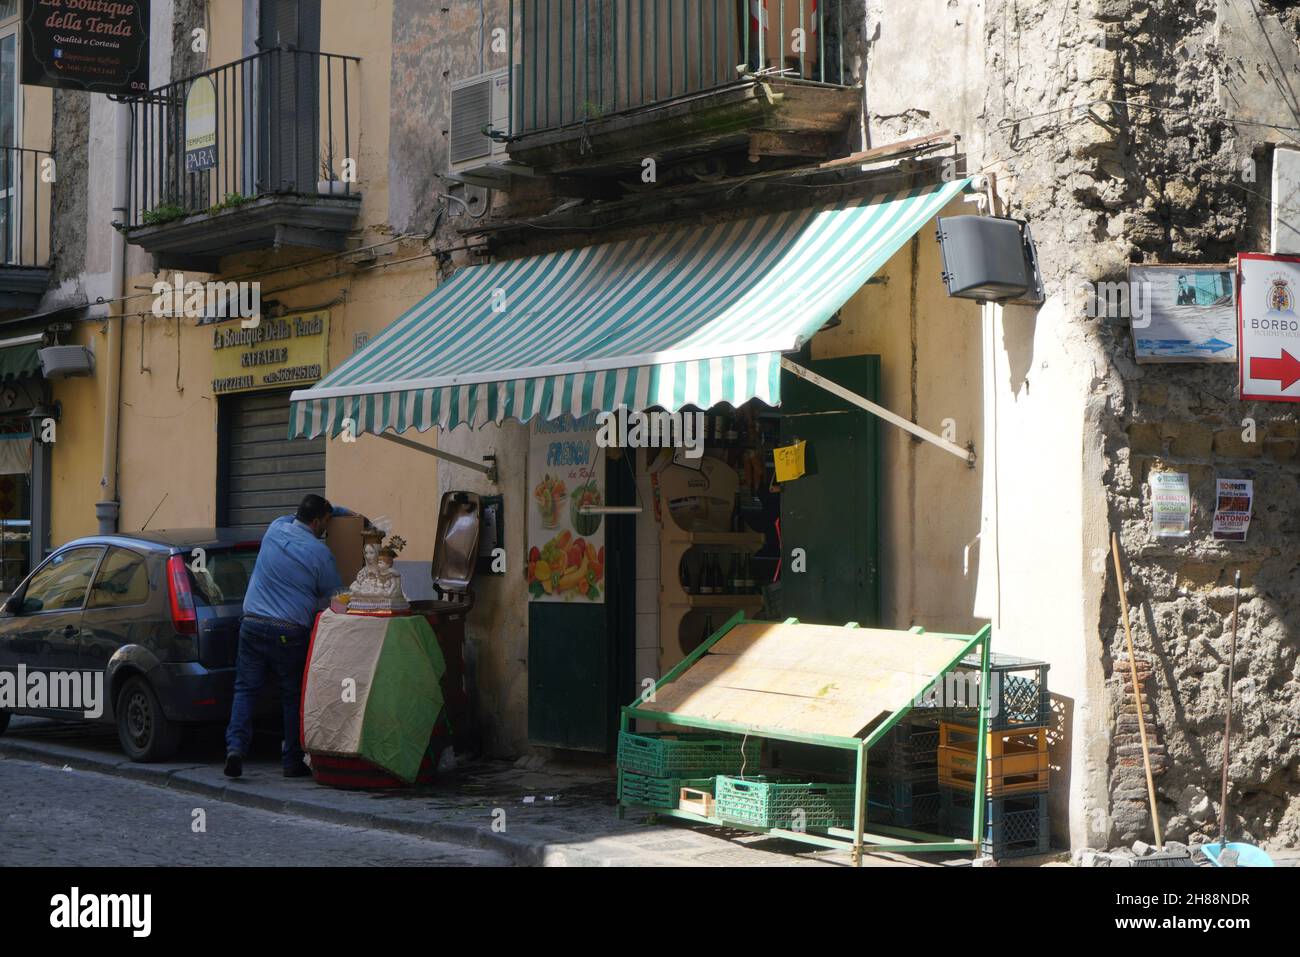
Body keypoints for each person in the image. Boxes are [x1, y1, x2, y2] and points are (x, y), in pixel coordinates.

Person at [224, 494, 349, 778]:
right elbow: (335, 596)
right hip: (289, 632)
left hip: (252, 624)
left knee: (245, 690)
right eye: (327, 522)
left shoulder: (275, 527)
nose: (327, 528)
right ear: (317, 521)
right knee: (292, 696)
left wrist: (336, 510)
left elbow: (302, 514)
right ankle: (291, 761)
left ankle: (235, 748)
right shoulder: (320, 553)